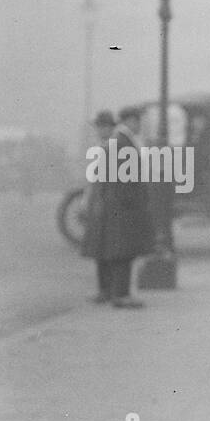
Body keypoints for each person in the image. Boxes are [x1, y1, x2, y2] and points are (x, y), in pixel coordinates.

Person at [81, 107, 154, 309]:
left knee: (110, 249)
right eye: (138, 121)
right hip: (123, 206)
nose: (140, 125)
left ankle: (108, 291)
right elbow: (126, 180)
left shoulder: (114, 142)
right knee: (123, 252)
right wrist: (135, 204)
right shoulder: (124, 143)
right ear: (131, 121)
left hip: (110, 204)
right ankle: (121, 295)